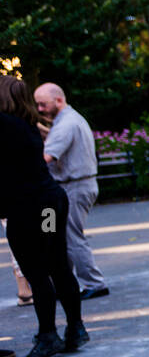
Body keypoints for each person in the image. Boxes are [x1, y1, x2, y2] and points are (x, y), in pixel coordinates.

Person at [0, 77, 86, 357]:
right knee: (57, 264)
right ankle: (75, 328)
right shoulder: (26, 124)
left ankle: (48, 336)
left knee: (36, 272)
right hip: (49, 204)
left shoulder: (5, 124)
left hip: (27, 210)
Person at [33, 83, 109, 298]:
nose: (39, 109)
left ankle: (94, 282)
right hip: (76, 185)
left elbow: (46, 157)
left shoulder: (66, 124)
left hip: (73, 186)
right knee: (63, 235)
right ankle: (64, 280)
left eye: (43, 104)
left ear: (58, 100)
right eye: (37, 105)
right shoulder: (69, 120)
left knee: (70, 235)